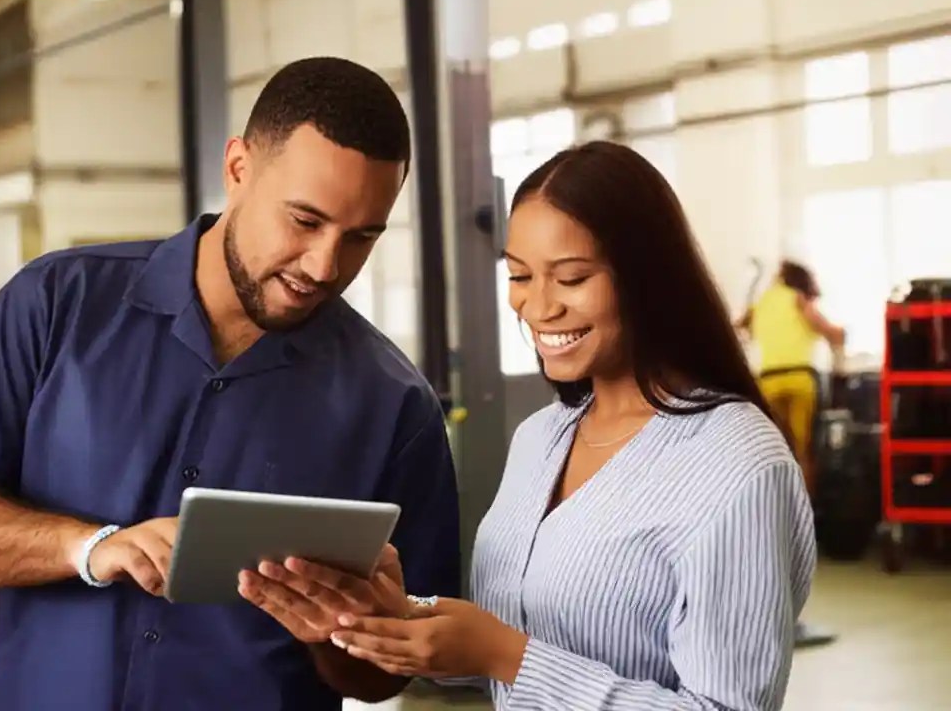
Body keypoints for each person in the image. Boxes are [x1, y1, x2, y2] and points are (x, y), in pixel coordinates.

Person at [0, 56, 461, 711]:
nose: (325, 265)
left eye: (361, 237)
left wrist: (340, 631)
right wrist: (89, 547)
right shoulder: (55, 305)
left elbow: (392, 673)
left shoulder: (393, 404)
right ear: (238, 168)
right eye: (304, 221)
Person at [244, 141, 816, 710]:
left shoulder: (737, 463)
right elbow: (497, 645)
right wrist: (397, 615)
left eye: (570, 279)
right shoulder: (541, 438)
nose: (538, 308)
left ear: (648, 277)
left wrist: (505, 655)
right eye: (519, 276)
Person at [737, 260, 846, 497]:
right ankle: (806, 518)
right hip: (800, 380)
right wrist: (839, 336)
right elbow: (827, 330)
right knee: (803, 451)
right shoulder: (797, 299)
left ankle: (776, 512)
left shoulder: (761, 302)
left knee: (773, 453)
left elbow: (739, 327)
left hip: (767, 383)